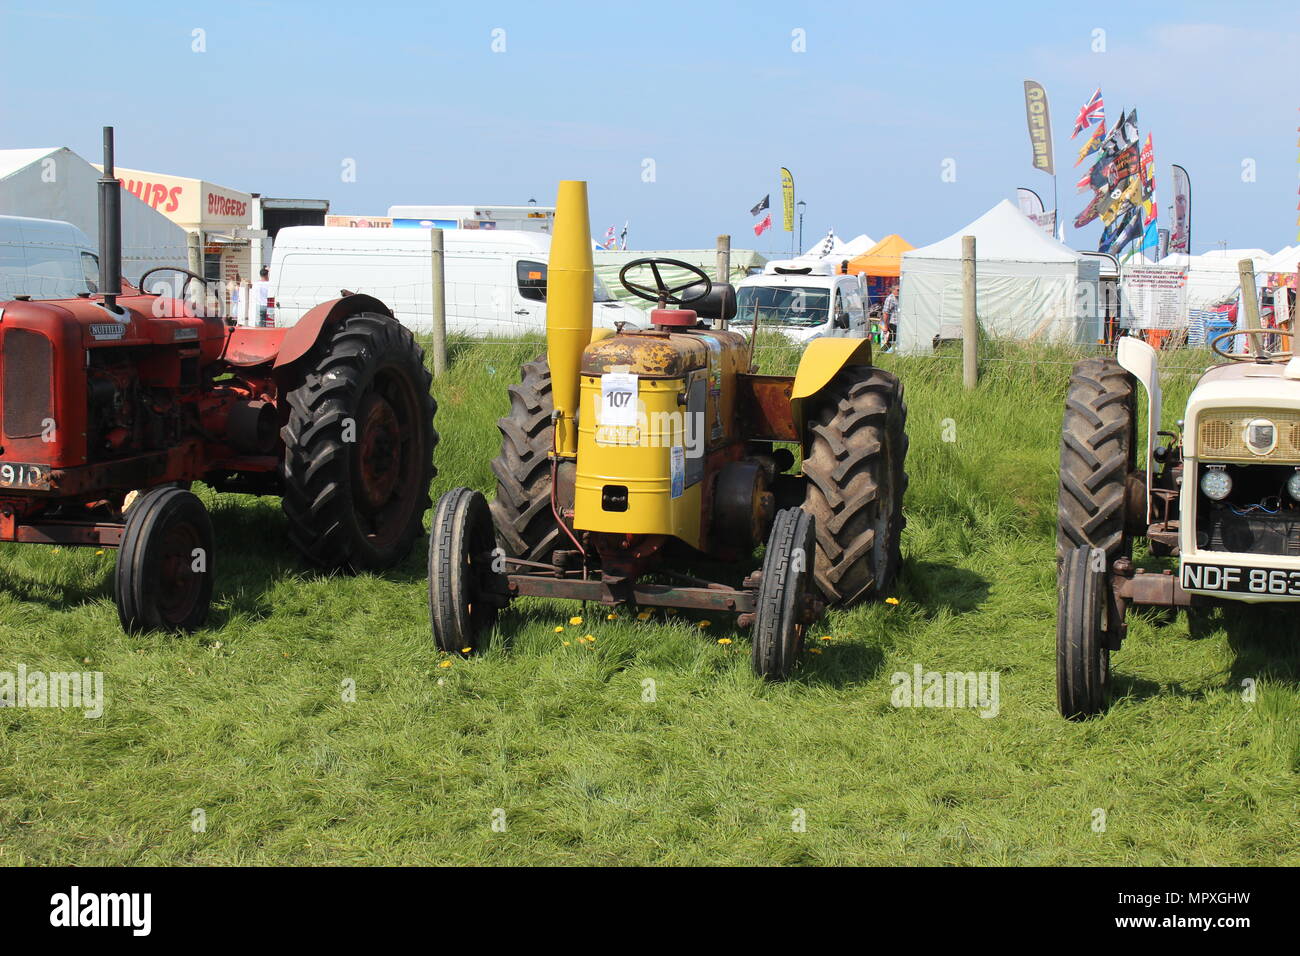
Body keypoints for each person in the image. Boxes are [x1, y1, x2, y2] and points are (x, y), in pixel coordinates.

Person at [882, 282, 899, 349]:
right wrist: (885, 326)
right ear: (893, 290)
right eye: (898, 290)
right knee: (891, 341)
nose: (899, 291)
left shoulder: (900, 297)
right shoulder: (890, 299)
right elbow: (885, 313)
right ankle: (880, 353)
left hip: (900, 324)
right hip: (893, 324)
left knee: (894, 340)